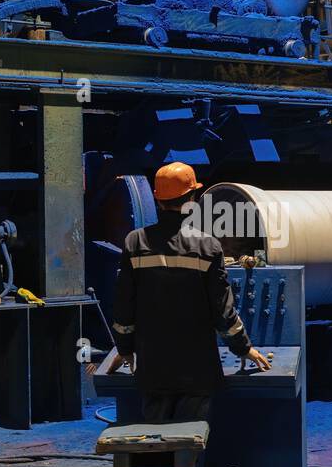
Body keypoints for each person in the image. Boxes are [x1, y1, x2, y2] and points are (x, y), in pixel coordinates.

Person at [108, 162, 272, 423]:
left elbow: (124, 306)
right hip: (196, 370)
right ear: (192, 201)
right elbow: (223, 310)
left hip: (153, 368)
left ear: (158, 200)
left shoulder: (135, 242)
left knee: (154, 438)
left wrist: (124, 349)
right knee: (191, 438)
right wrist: (243, 349)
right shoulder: (208, 247)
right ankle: (187, 463)